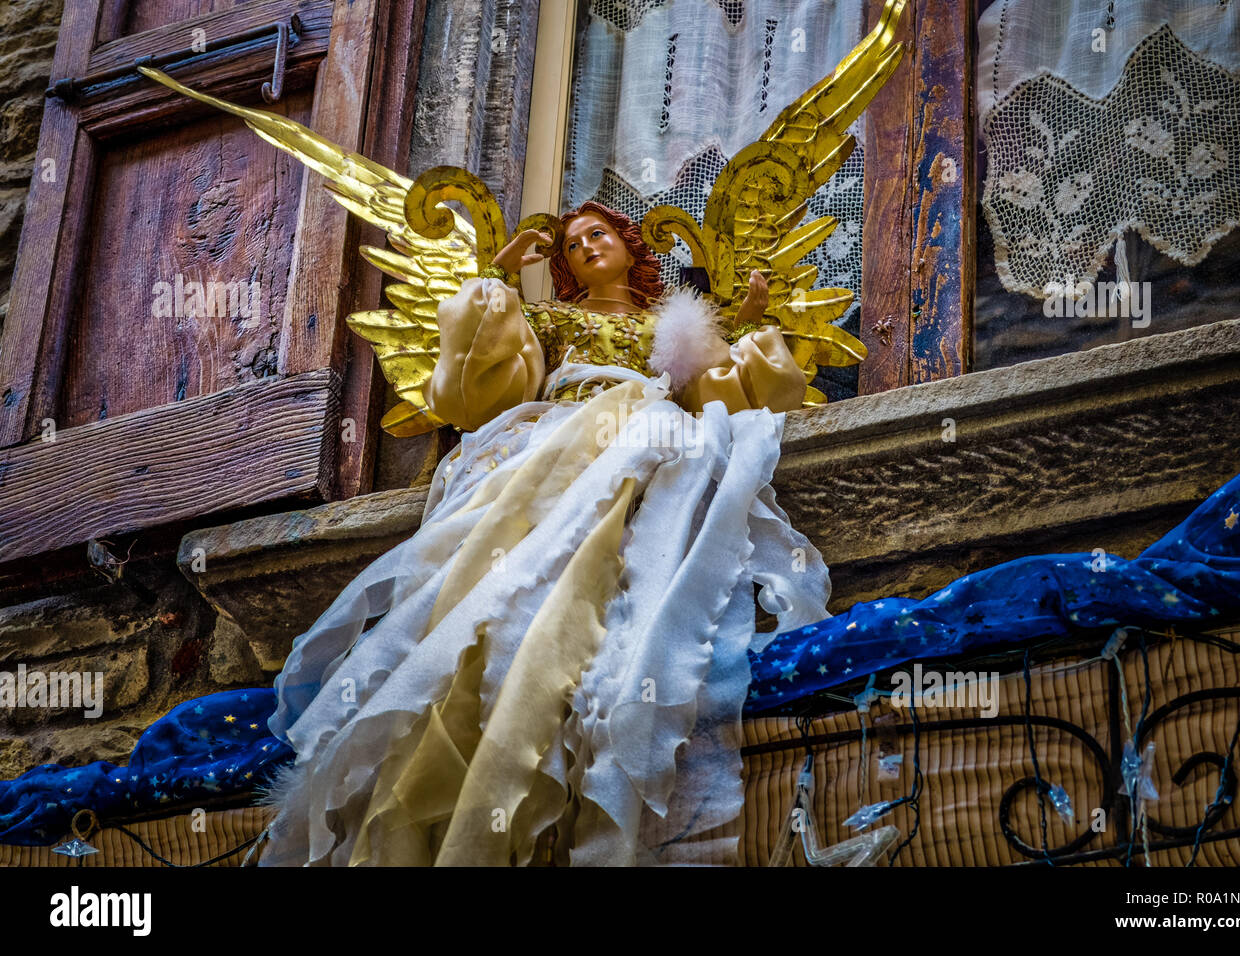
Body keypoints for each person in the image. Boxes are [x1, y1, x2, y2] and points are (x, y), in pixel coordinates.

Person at [260, 200, 833, 866]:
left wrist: (749, 320)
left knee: (615, 595)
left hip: (643, 442)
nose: (587, 247)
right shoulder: (547, 321)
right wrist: (492, 281)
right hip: (553, 447)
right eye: (572, 243)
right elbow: (481, 377)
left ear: (629, 246)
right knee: (500, 581)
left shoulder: (664, 327)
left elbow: (714, 387)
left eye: (599, 234)